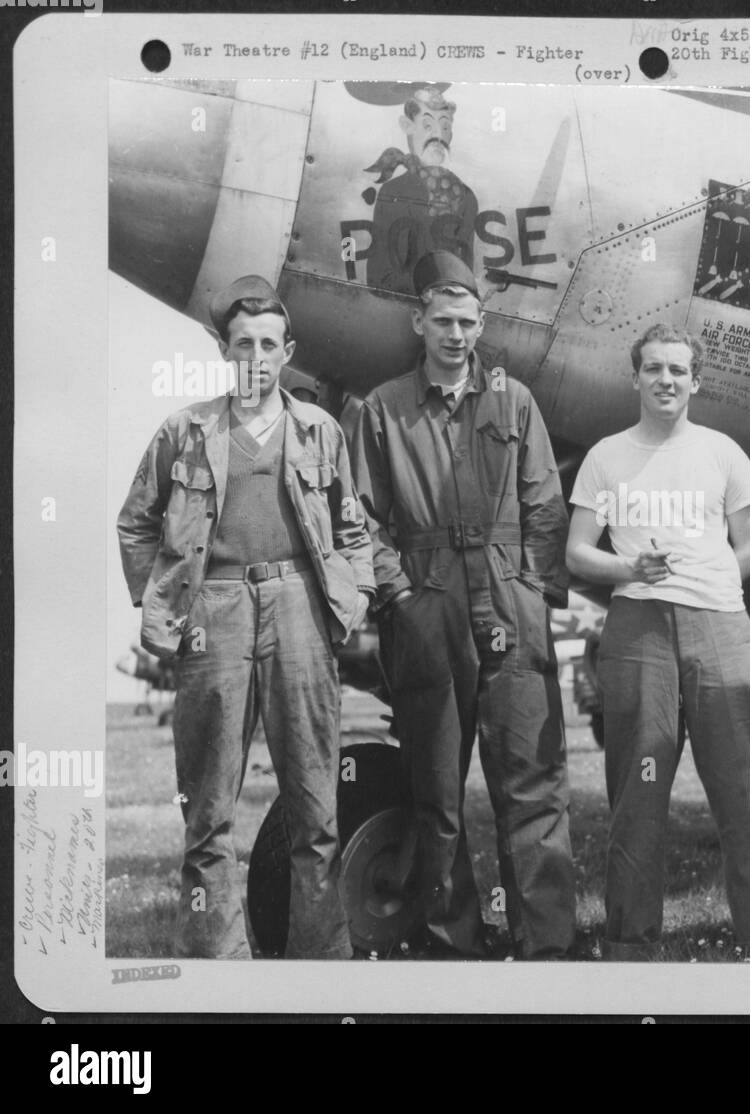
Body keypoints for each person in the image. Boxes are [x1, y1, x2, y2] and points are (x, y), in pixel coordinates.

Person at [117, 275, 374, 958]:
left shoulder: (318, 430)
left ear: (287, 351)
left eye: (268, 343)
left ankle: (320, 966)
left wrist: (355, 596)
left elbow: (353, 529)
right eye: (241, 344)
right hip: (216, 612)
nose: (255, 356)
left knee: (316, 807)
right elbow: (136, 524)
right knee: (208, 811)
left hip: (298, 609)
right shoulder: (186, 431)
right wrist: (168, 603)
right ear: (224, 352)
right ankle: (216, 967)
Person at [349, 250, 576, 959]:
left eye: (466, 321)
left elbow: (546, 505)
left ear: (482, 325)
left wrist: (534, 593)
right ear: (419, 322)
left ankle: (547, 941)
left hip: (510, 601)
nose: (455, 334)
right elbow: (360, 519)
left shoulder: (515, 401)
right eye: (441, 320)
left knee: (531, 778)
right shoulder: (382, 409)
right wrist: (402, 598)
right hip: (428, 603)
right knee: (437, 787)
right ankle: (455, 940)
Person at [567, 323, 750, 960]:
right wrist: (627, 570)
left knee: (741, 786)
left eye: (678, 371)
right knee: (638, 792)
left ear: (697, 381)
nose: (667, 380)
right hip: (638, 630)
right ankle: (631, 945)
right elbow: (579, 551)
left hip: (721, 626)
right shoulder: (607, 456)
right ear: (635, 376)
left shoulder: (724, 452)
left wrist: (718, 577)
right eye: (655, 368)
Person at [366, 85, 479, 295]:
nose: (438, 135)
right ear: (407, 126)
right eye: (427, 125)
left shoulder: (466, 198)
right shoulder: (392, 192)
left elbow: (464, 276)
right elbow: (378, 273)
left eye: (445, 127)